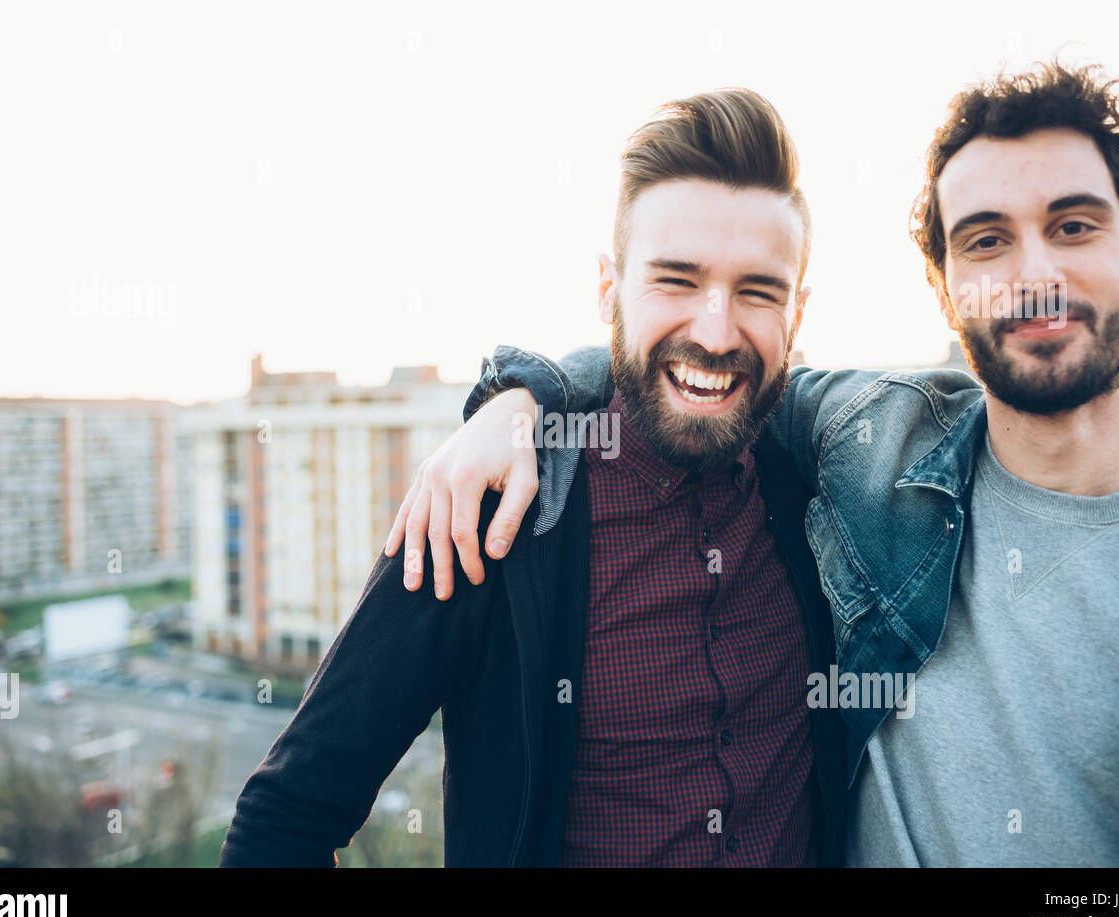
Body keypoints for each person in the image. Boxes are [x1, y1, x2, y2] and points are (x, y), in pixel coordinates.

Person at [387, 62, 1119, 866]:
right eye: (987, 239)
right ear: (942, 287)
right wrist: (521, 393)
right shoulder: (870, 438)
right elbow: (692, 361)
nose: (1032, 276)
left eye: (1074, 226)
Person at [221, 88, 848, 866]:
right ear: (607, 289)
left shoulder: (820, 495)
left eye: (758, 291)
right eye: (676, 281)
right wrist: (516, 394)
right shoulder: (492, 510)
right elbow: (285, 818)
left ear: (799, 312)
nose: (716, 331)